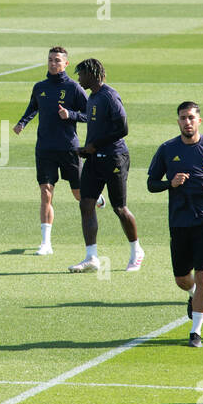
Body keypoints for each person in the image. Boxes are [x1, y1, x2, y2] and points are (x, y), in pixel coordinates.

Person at [147, 102, 203, 347]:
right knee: (182, 279)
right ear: (178, 122)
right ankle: (192, 295)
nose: (187, 122)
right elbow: (151, 183)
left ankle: (195, 332)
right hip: (179, 221)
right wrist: (170, 184)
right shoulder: (167, 149)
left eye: (191, 117)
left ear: (199, 120)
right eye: (182, 118)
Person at [12, 46, 95, 255]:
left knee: (79, 194)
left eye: (57, 60)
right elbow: (33, 107)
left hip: (69, 148)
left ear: (66, 64)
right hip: (45, 149)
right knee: (46, 193)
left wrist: (71, 115)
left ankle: (97, 198)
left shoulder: (75, 88)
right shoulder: (40, 86)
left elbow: (89, 114)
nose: (53, 63)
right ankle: (46, 243)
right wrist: (22, 123)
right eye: (50, 59)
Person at [67, 58, 143, 273]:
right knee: (86, 204)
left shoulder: (109, 95)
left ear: (91, 74)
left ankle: (136, 251)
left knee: (119, 208)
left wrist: (94, 146)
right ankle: (91, 257)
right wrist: (85, 149)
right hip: (94, 159)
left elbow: (123, 128)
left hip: (115, 158)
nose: (79, 78)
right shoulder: (92, 98)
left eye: (81, 74)